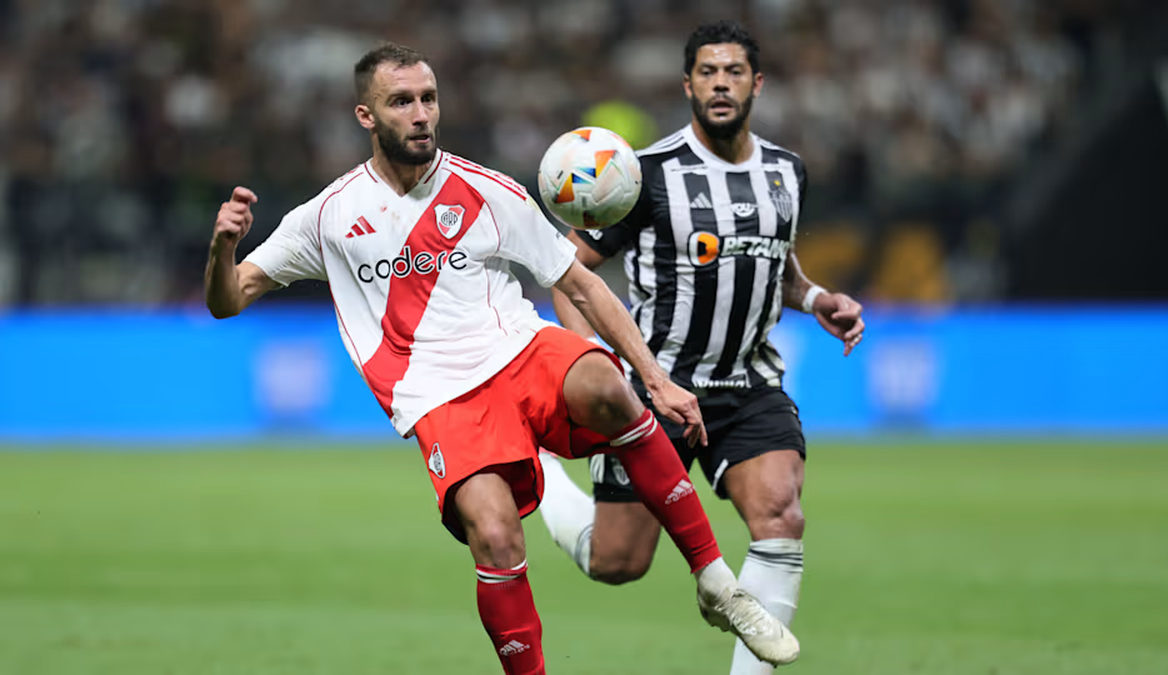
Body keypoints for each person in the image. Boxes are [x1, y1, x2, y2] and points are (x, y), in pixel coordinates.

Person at [203, 43, 798, 675]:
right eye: (401, 102)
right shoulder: (328, 216)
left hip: (518, 350)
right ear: (366, 116)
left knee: (606, 383)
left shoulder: (488, 190)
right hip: (439, 397)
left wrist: (655, 379)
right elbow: (230, 298)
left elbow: (580, 283)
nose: (421, 113)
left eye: (428, 98)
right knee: (494, 535)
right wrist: (222, 249)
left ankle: (716, 583)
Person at [537, 21, 866, 675]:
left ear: (757, 83)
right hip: (658, 389)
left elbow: (779, 266)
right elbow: (569, 273)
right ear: (688, 84)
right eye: (709, 72)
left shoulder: (786, 172)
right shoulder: (645, 176)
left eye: (735, 71)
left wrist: (818, 298)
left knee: (780, 513)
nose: (721, 83)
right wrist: (588, 362)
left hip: (750, 384)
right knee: (618, 563)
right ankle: (546, 474)